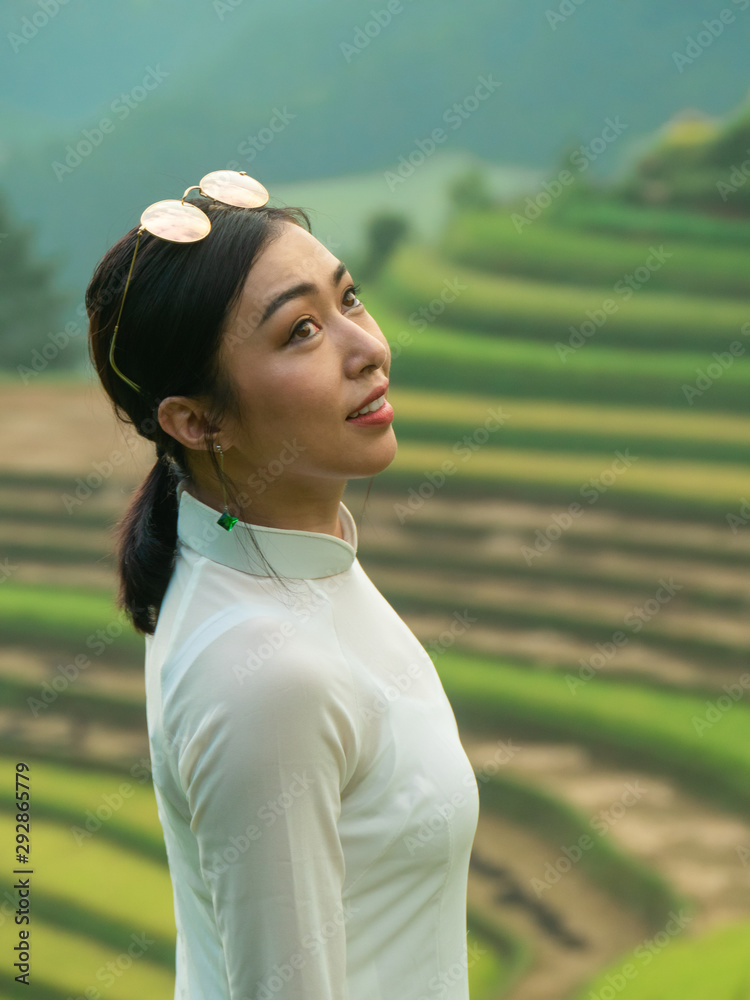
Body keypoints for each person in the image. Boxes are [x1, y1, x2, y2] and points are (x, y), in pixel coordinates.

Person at [86, 170, 480, 1000]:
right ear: (197, 422)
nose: (369, 348)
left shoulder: (281, 554)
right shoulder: (267, 673)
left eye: (350, 299)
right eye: (301, 332)